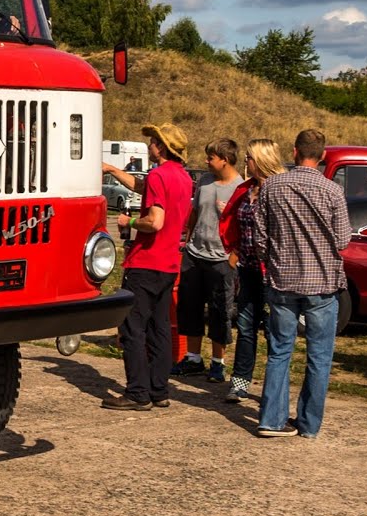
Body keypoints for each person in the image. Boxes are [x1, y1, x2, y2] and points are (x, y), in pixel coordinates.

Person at [254, 129, 350, 438]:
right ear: (322, 156)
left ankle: (271, 419)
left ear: (294, 152)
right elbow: (343, 239)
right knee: (319, 357)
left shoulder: (271, 187)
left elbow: (260, 239)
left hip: (283, 281)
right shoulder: (332, 190)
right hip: (322, 282)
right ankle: (308, 424)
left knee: (280, 351)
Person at [100, 123, 194, 410]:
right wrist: (114, 171)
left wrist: (129, 222)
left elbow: (155, 221)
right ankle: (159, 389)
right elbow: (143, 187)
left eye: (153, 141)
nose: (149, 145)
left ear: (162, 147)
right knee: (160, 328)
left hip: (145, 261)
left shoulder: (158, 175)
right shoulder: (183, 178)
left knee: (133, 328)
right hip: (168, 263)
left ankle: (137, 392)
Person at [218, 138, 285, 403]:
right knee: (245, 327)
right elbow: (234, 222)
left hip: (272, 271)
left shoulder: (279, 190)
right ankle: (240, 383)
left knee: (273, 330)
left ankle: (273, 389)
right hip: (247, 268)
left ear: (261, 159)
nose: (245, 161)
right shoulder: (247, 190)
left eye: (249, 157)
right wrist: (233, 251)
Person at [173, 139, 242, 382]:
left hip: (220, 260)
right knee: (189, 308)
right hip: (194, 255)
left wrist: (231, 259)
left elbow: (243, 226)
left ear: (225, 159)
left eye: (210, 157)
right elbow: (195, 213)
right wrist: (186, 241)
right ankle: (193, 359)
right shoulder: (204, 181)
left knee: (219, 312)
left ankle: (217, 364)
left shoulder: (240, 187)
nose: (206, 161)